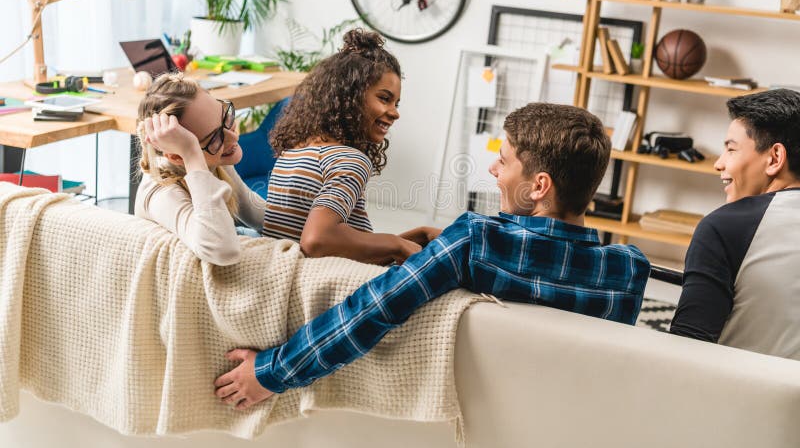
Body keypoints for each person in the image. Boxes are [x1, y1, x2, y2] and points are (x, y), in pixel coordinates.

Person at [214, 102, 651, 409]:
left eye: (504, 162)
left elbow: (373, 309)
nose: (494, 171)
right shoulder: (629, 270)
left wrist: (271, 373)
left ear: (538, 186)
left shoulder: (474, 241)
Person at [261, 28, 437, 265]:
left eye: (396, 103)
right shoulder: (350, 160)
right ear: (350, 96)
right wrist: (397, 245)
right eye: (384, 98)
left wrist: (412, 238)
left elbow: (325, 241)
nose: (395, 113)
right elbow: (317, 240)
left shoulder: (293, 153)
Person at [670, 88, 800, 360]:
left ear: (775, 158)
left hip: (738, 398)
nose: (719, 163)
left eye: (731, 149)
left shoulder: (722, 228)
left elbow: (684, 351)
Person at [135, 73, 265, 266]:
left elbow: (259, 215)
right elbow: (222, 250)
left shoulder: (213, 160)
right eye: (215, 139)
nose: (233, 137)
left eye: (225, 117)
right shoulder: (161, 193)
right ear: (178, 156)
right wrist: (191, 153)